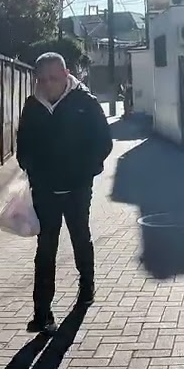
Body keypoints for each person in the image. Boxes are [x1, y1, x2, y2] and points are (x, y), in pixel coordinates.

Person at [16, 52, 113, 334]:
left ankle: (87, 287)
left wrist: (86, 170)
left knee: (80, 236)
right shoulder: (32, 106)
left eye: (54, 78)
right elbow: (23, 146)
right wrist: (33, 170)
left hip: (77, 187)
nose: (48, 84)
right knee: (46, 248)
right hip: (45, 190)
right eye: (43, 79)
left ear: (66, 74)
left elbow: (103, 142)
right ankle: (42, 312)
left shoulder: (85, 102)